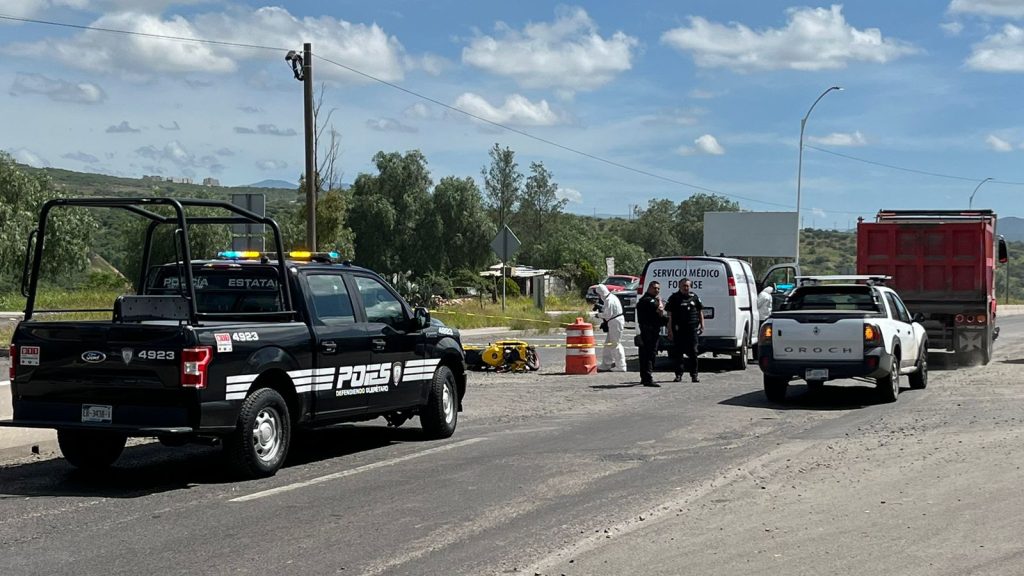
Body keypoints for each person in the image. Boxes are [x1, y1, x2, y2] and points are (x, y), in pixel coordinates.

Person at [667, 279, 705, 382]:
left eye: (687, 286)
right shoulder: (674, 298)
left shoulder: (694, 297)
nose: (685, 288)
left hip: (692, 330)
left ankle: (694, 375)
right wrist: (669, 330)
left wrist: (702, 325)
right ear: (679, 286)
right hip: (678, 330)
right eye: (683, 286)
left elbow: (700, 311)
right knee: (678, 353)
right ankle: (678, 375)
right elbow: (669, 315)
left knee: (693, 352)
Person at [635, 281, 668, 387]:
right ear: (649, 288)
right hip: (648, 331)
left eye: (658, 288)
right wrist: (660, 303)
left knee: (647, 355)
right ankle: (647, 378)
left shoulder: (651, 300)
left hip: (652, 331)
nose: (657, 290)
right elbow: (660, 311)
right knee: (649, 355)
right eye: (655, 288)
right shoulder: (647, 300)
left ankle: (645, 377)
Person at [594, 284, 627, 372]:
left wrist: (598, 315)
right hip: (614, 321)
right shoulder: (611, 297)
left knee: (615, 344)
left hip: (615, 322)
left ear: (601, 293)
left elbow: (607, 314)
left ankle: (621, 366)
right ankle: (606, 364)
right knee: (608, 344)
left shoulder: (609, 300)